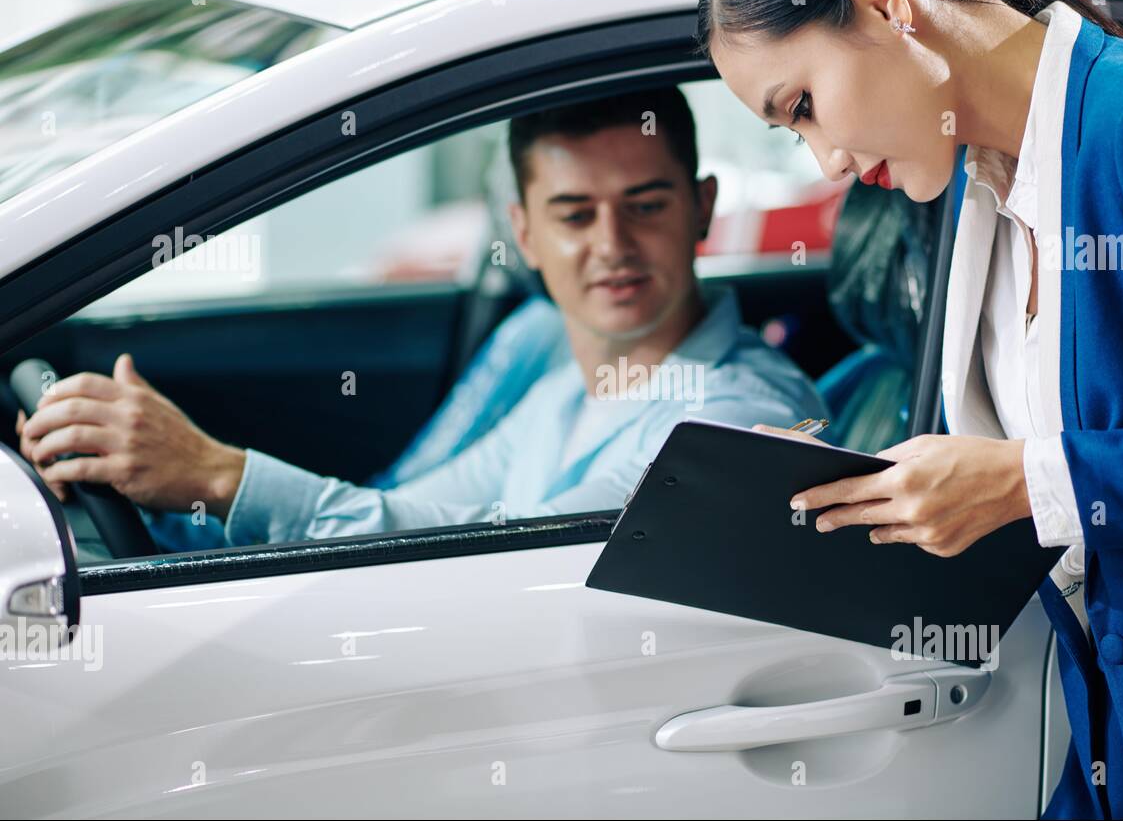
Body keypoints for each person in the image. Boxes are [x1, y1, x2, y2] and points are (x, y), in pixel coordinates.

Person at [699, 0, 1123, 819]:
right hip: (1122, 752)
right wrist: (856, 482)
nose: (825, 159)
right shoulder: (967, 190)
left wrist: (1029, 481)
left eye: (803, 107)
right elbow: (1015, 483)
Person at [16, 87, 826, 544]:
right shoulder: (558, 362)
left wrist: (218, 475)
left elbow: (474, 550)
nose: (611, 244)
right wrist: (145, 497)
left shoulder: (734, 420)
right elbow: (415, 511)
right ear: (525, 233)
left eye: (644, 206)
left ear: (702, 209)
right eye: (575, 214)